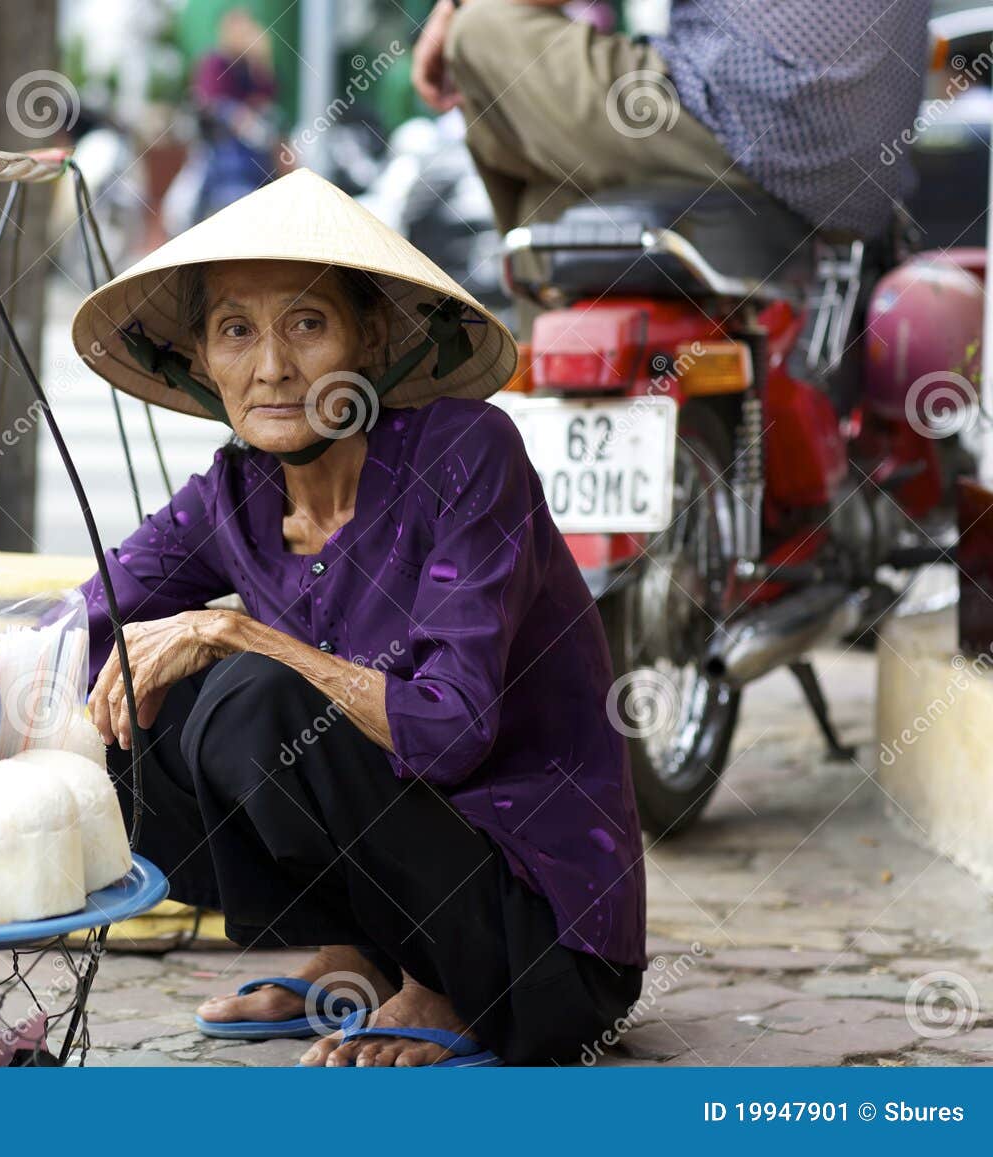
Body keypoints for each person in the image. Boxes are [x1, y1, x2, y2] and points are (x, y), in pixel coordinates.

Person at [73, 169, 645, 1067]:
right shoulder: (237, 488)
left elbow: (452, 732)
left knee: (252, 695)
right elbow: (85, 621)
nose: (271, 367)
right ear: (202, 356)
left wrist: (238, 633)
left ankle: (447, 986)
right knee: (118, 711)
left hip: (541, 942)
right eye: (236, 331)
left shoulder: (466, 453)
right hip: (414, 885)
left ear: (370, 338)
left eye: (307, 323)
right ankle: (365, 955)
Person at [412, 0, 930, 240]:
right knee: (555, 200)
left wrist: (457, 7)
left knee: (483, 31)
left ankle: (523, 342)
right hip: (856, 181)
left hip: (749, 128)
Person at [188, 7, 279, 222]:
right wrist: (237, 115)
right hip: (220, 152)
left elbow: (267, 99)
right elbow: (210, 102)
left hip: (253, 153)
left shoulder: (249, 66)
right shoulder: (215, 63)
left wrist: (260, 62)